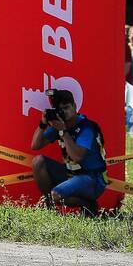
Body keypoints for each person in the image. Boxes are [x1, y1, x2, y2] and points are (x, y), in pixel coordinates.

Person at [30, 88, 107, 217]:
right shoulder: (60, 125)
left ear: (75, 106)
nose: (64, 112)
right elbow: (35, 145)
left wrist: (63, 132)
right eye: (61, 110)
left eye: (66, 107)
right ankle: (50, 210)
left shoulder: (86, 127)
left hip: (92, 179)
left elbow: (77, 157)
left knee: (56, 195)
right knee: (38, 162)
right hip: (71, 174)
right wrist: (43, 124)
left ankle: (88, 204)